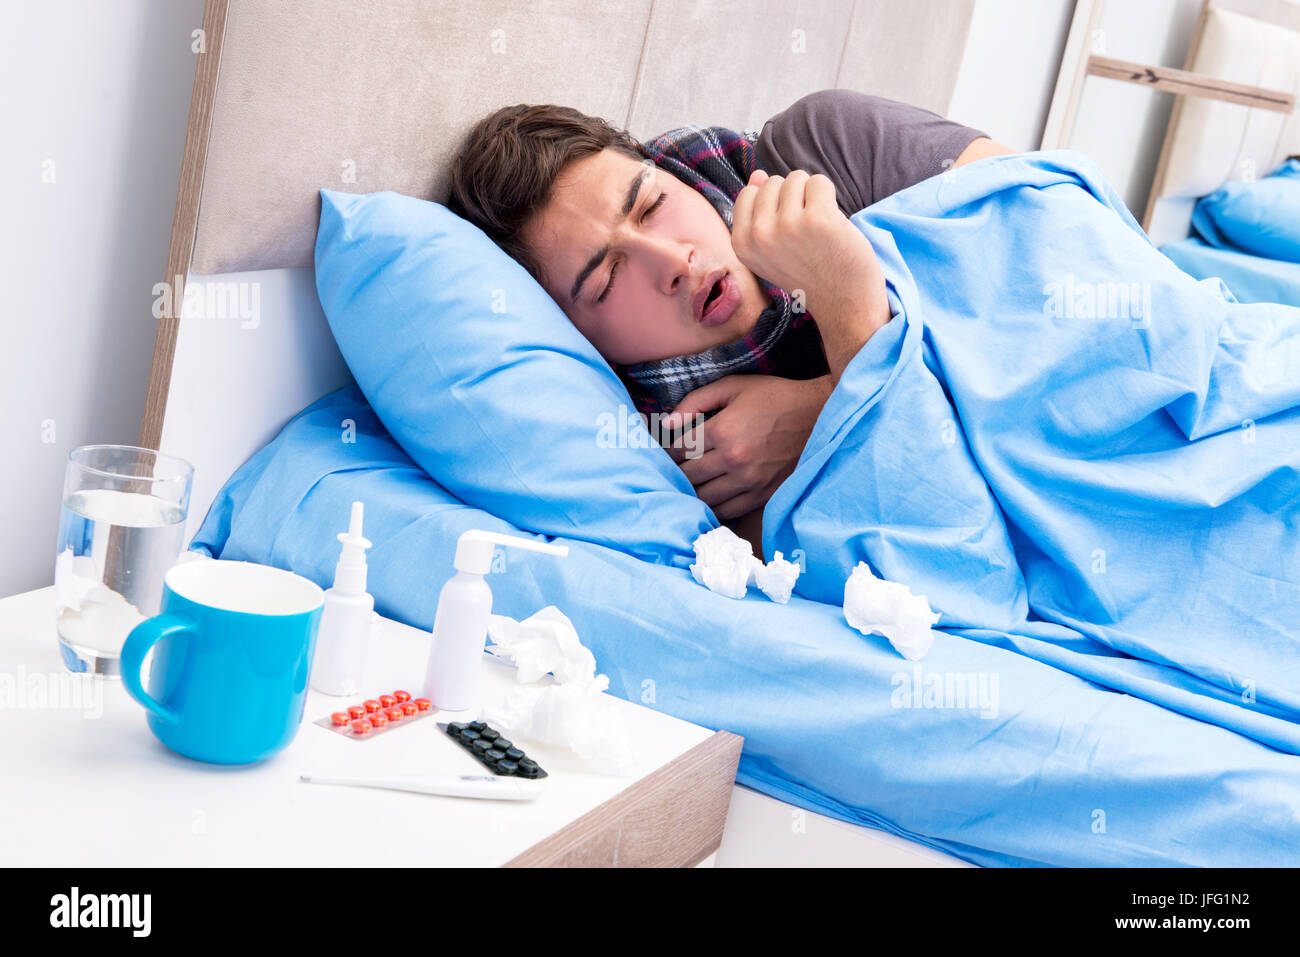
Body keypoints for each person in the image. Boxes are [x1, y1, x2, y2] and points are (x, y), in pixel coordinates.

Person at [447, 89, 1012, 546]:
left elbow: (1052, 253)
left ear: (666, 171)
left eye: (652, 205)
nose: (673, 262)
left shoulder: (827, 147)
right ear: (579, 340)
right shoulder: (676, 455)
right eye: (608, 280)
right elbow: (942, 557)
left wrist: (830, 390)